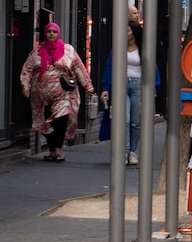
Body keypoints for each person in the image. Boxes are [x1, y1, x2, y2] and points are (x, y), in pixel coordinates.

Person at [19, 22, 94, 162]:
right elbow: (27, 70)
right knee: (47, 123)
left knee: (60, 118)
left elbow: (79, 68)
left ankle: (59, 149)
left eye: (54, 31)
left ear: (58, 33)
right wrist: (25, 86)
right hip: (40, 96)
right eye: (49, 32)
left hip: (63, 93)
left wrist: (88, 87)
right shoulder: (37, 51)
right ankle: (52, 150)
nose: (51, 34)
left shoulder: (68, 50)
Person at [100, 20, 161, 164]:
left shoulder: (144, 49)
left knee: (136, 122)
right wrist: (106, 88)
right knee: (124, 120)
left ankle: (133, 152)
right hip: (121, 84)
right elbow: (110, 68)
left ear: (134, 32)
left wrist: (153, 88)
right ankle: (125, 151)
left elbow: (153, 69)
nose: (124, 33)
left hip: (139, 86)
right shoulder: (117, 48)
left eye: (127, 31)